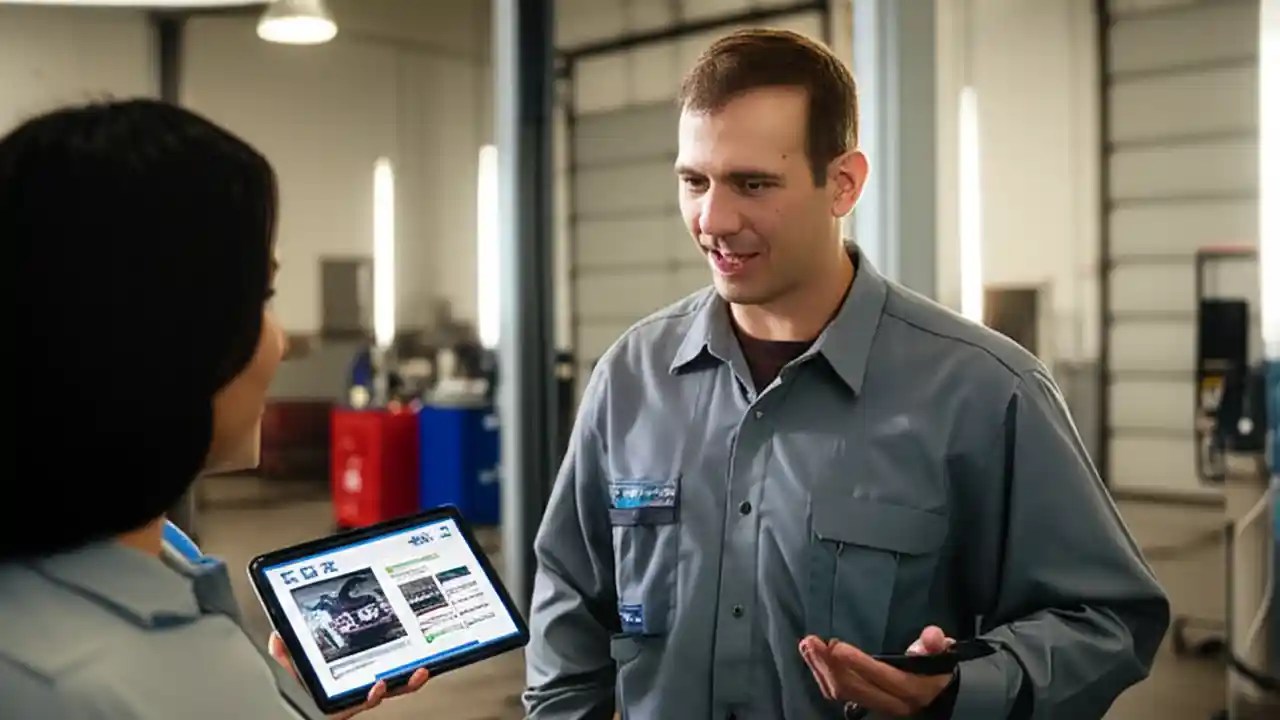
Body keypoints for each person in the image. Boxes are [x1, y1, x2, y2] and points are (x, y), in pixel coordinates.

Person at [523, 28, 1170, 720]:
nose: (712, 218)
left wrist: (962, 689)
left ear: (843, 183)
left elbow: (1105, 618)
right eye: (694, 181)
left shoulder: (984, 391)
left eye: (752, 183)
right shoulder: (632, 376)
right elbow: (570, 597)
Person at [0, 99, 429, 719]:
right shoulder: (64, 692)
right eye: (262, 296)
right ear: (161, 334)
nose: (279, 342)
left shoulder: (163, 552)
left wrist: (283, 703)